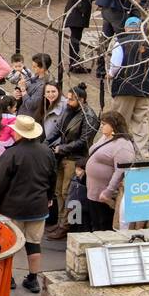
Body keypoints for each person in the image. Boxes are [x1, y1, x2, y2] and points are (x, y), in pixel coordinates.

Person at [0, 114, 55, 293]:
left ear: (18, 133)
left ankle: (8, 278)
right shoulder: (47, 152)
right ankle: (33, 279)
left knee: (9, 243)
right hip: (38, 206)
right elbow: (52, 178)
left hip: (13, 208)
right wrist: (49, 197)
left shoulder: (11, 154)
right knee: (34, 243)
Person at [46, 83, 99, 240]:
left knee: (68, 192)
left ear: (81, 100)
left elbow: (83, 141)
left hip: (75, 158)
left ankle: (65, 226)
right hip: (62, 155)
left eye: (71, 100)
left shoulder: (89, 116)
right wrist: (45, 142)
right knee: (58, 191)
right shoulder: (69, 110)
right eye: (68, 99)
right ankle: (60, 222)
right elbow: (58, 129)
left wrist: (61, 148)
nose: (68, 102)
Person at [83, 111, 137, 232]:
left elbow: (120, 171)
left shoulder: (123, 145)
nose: (101, 126)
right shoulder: (105, 137)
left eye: (104, 124)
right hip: (93, 190)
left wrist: (108, 192)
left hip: (105, 196)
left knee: (103, 226)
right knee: (95, 224)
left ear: (114, 125)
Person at [108, 16, 149, 155]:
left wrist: (110, 74)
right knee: (141, 122)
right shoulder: (148, 43)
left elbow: (116, 63)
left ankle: (118, 152)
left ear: (126, 28)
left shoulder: (120, 42)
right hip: (144, 88)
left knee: (119, 120)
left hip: (124, 87)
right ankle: (141, 153)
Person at [64, 0, 97, 73]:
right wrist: (82, 10)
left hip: (80, 13)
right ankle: (74, 64)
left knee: (76, 38)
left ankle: (75, 63)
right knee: (75, 38)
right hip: (76, 13)